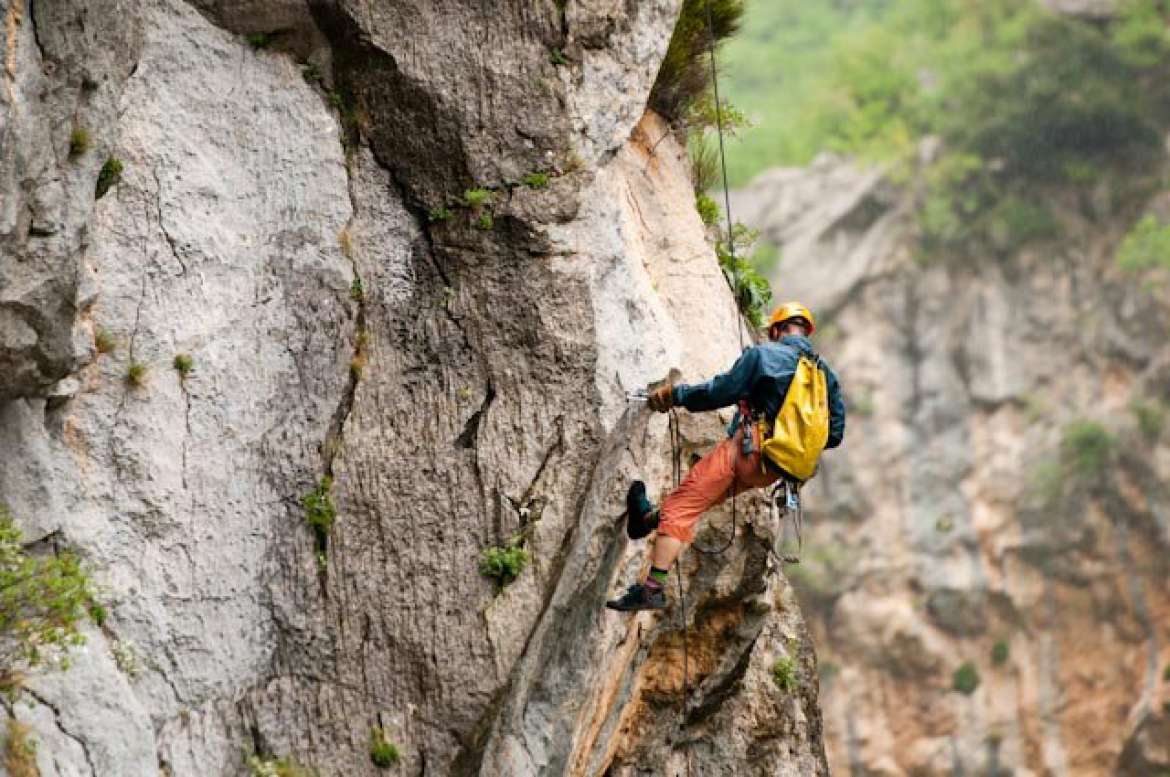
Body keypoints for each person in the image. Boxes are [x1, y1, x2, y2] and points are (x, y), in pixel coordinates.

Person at [606, 302, 846, 612]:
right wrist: (788, 440)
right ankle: (647, 519)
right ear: (806, 332)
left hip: (745, 451)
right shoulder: (826, 377)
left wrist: (676, 395)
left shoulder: (764, 355)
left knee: (683, 507)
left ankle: (652, 589)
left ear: (775, 330)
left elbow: (720, 391)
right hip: (773, 469)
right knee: (697, 499)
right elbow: (835, 434)